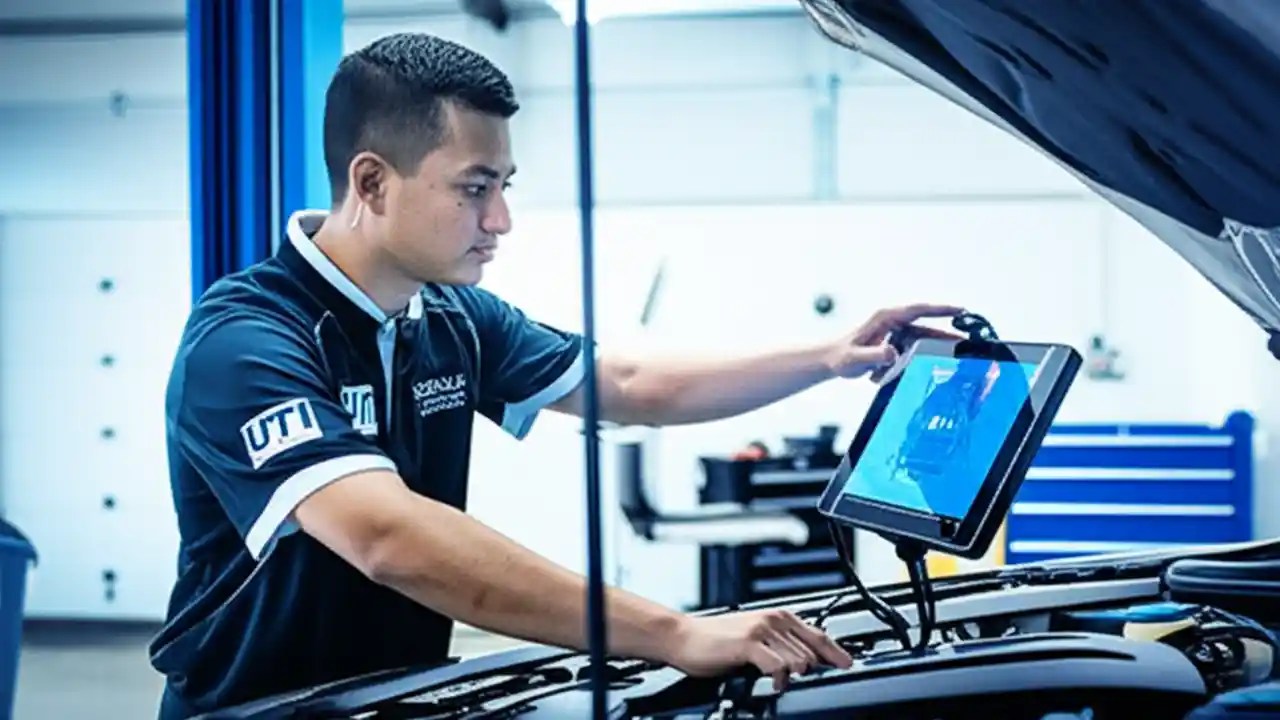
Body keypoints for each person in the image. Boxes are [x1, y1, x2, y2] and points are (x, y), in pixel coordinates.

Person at [149, 31, 961, 718]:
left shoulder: (453, 317)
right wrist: (673, 632)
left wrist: (830, 358)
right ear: (371, 183)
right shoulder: (248, 338)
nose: (500, 220)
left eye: (502, 187)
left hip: (391, 699)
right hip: (261, 708)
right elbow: (388, 538)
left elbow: (635, 383)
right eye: (474, 189)